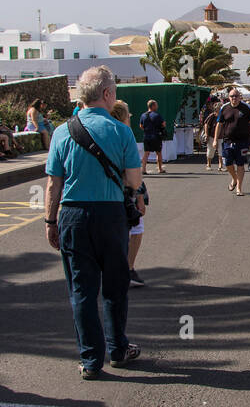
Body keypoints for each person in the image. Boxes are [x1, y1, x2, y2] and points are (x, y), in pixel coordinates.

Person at [44, 66, 144, 379]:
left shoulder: (62, 132)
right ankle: (118, 349)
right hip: (111, 214)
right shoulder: (121, 130)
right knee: (115, 286)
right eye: (113, 90)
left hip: (73, 215)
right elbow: (133, 179)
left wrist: (50, 220)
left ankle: (90, 360)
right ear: (105, 94)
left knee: (82, 290)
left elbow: (53, 184)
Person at [111, 99, 150, 286]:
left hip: (109, 192)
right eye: (128, 115)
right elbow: (133, 173)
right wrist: (140, 198)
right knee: (136, 228)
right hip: (127, 193)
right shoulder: (126, 134)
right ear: (123, 116)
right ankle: (128, 268)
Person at [214, 87, 250, 196]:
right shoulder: (224, 108)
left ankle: (239, 188)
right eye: (232, 96)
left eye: (236, 96)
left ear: (240, 97)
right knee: (227, 163)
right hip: (228, 141)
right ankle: (234, 178)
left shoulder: (246, 108)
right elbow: (219, 124)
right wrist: (215, 139)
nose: (234, 98)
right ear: (228, 97)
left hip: (243, 141)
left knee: (240, 164)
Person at [139, 99, 166, 175]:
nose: (157, 106)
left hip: (147, 136)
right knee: (158, 153)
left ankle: (143, 169)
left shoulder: (143, 115)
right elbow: (163, 124)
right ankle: (160, 169)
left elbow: (141, 126)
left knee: (146, 153)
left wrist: (147, 130)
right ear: (153, 106)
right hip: (156, 136)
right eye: (156, 105)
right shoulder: (157, 115)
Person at [201, 98, 222, 171]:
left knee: (221, 151)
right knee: (210, 151)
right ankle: (208, 164)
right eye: (219, 109)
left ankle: (220, 165)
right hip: (211, 136)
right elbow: (206, 124)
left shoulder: (223, 116)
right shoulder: (212, 116)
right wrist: (206, 134)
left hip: (221, 136)